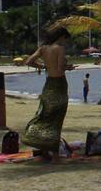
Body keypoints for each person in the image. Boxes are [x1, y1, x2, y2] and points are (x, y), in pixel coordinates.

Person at [21, 27, 72, 161]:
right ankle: (55, 156)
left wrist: (43, 66)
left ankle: (43, 150)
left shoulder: (43, 48)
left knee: (44, 115)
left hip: (48, 85)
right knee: (56, 119)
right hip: (59, 84)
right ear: (61, 36)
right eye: (65, 39)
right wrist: (68, 67)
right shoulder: (59, 48)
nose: (65, 42)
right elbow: (60, 67)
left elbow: (29, 61)